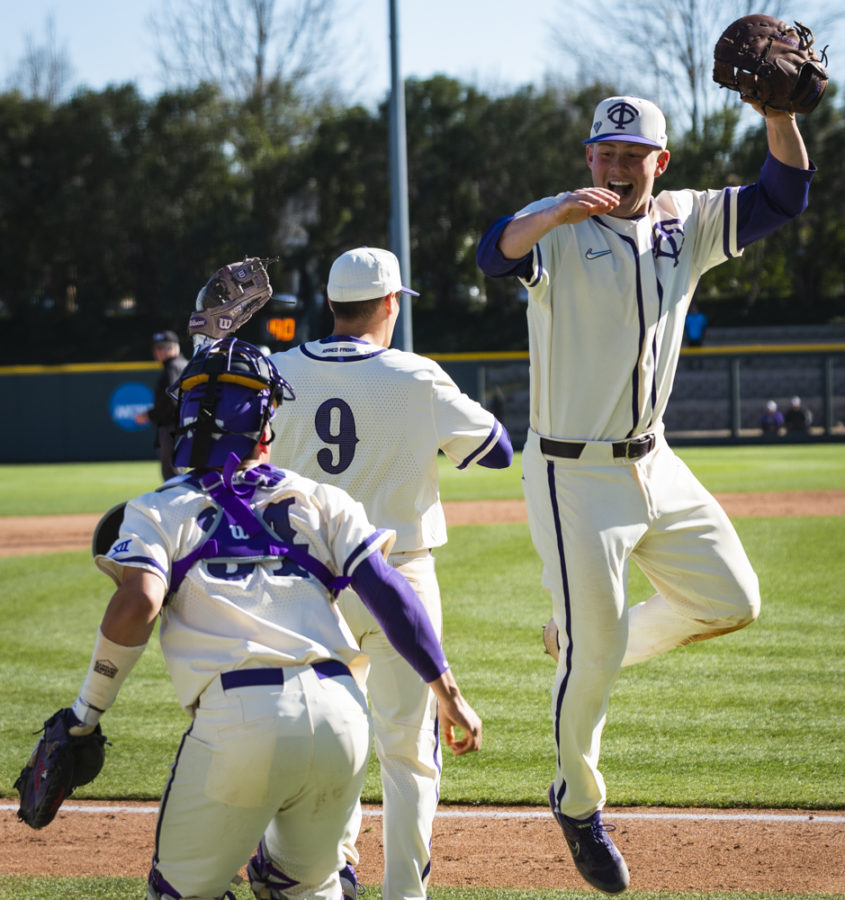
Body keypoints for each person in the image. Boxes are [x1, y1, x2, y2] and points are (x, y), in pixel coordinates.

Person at [476, 93, 813, 894]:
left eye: (633, 155)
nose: (617, 167)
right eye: (605, 152)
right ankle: (576, 798)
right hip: (571, 473)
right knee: (591, 662)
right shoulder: (553, 226)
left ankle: (583, 646)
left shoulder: (685, 220)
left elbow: (783, 196)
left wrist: (775, 114)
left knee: (732, 598)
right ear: (587, 156)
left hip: (655, 462)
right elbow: (493, 255)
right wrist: (553, 212)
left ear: (659, 162)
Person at [67, 336, 482, 900]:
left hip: (240, 719)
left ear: (186, 416)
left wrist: (86, 711)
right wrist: (447, 692)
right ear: (269, 422)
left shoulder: (160, 508)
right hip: (341, 716)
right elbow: (388, 591)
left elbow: (137, 602)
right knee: (305, 885)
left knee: (178, 891)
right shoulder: (323, 499)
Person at [257, 247, 513, 900]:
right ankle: (404, 893)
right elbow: (497, 451)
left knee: (318, 741)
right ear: (391, 303)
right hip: (396, 580)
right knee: (407, 755)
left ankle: (325, 869)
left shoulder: (277, 371)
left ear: (333, 305)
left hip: (303, 585)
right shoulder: (416, 376)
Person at [135, 330, 188, 480]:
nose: (156, 352)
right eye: (156, 348)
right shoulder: (184, 364)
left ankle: (176, 503)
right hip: (181, 425)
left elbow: (171, 401)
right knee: (177, 474)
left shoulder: (172, 367)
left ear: (172, 347)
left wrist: (150, 415)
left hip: (172, 427)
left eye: (161, 348)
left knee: (173, 476)